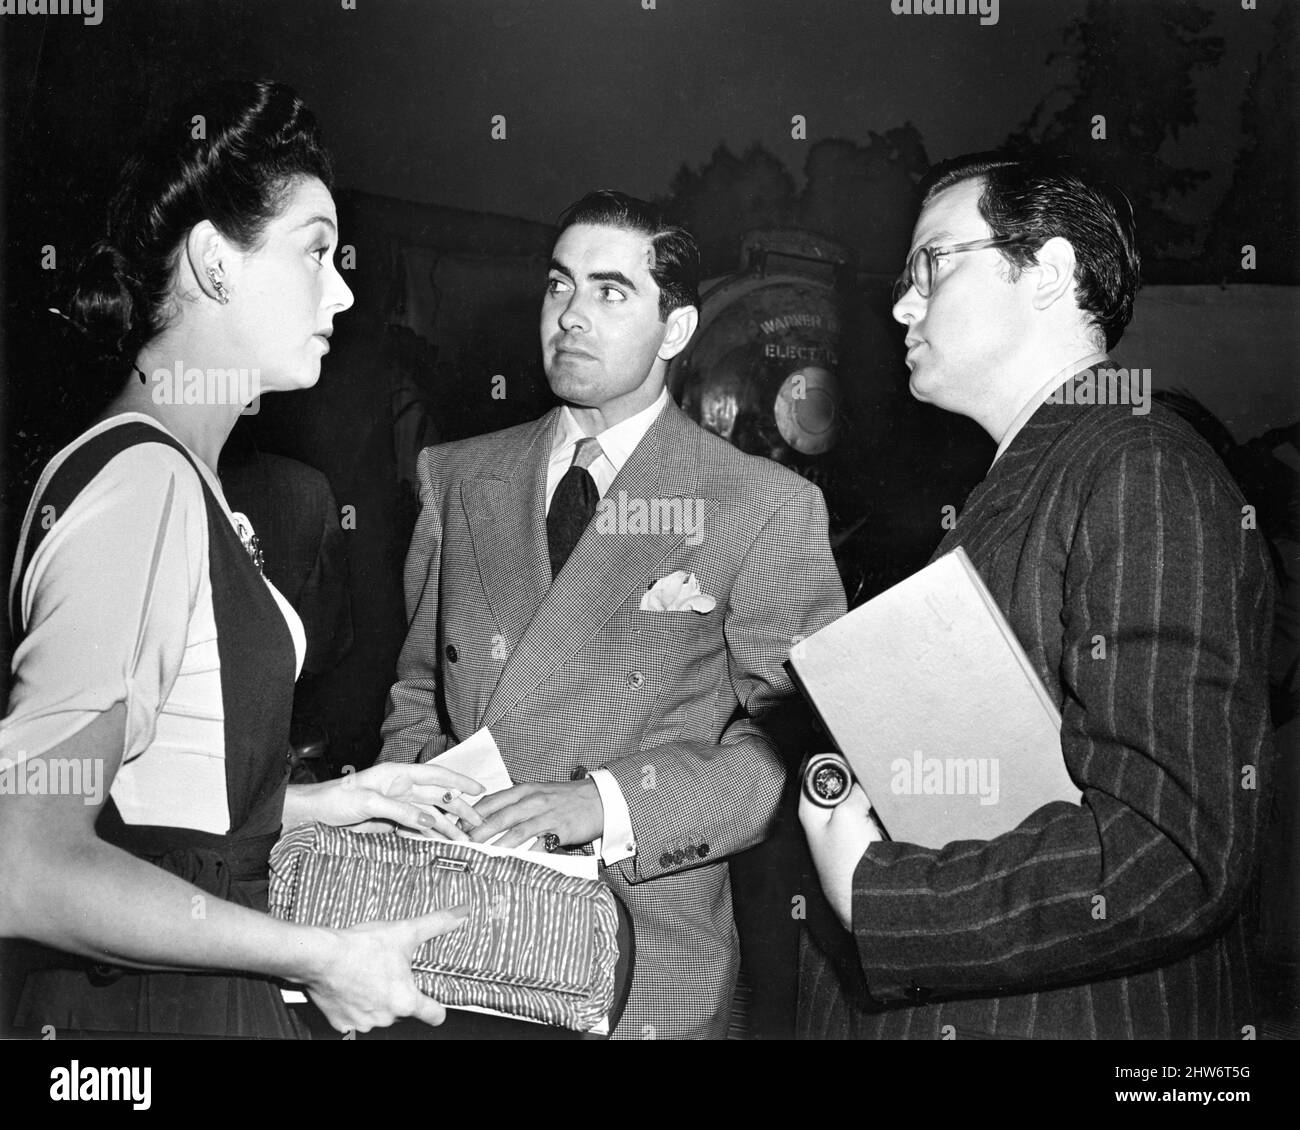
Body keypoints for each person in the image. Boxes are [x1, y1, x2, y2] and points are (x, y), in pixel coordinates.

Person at [0, 80, 484, 1039]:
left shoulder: (174, 477)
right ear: (216, 262)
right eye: (315, 250)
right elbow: (24, 864)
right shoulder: (143, 484)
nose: (343, 290)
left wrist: (331, 801)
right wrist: (317, 955)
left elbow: (159, 816)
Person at [798, 153, 1276, 1039]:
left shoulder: (1141, 469)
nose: (902, 306)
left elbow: (1174, 850)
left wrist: (882, 899)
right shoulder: (1041, 477)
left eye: (932, 265)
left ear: (1049, 271)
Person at [379, 190, 846, 1039]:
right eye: (559, 285)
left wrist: (608, 803)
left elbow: (796, 747)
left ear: (676, 330)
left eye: (610, 292)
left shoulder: (762, 505)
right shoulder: (457, 475)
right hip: (450, 943)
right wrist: (414, 805)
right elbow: (417, 694)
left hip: (639, 965)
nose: (571, 316)